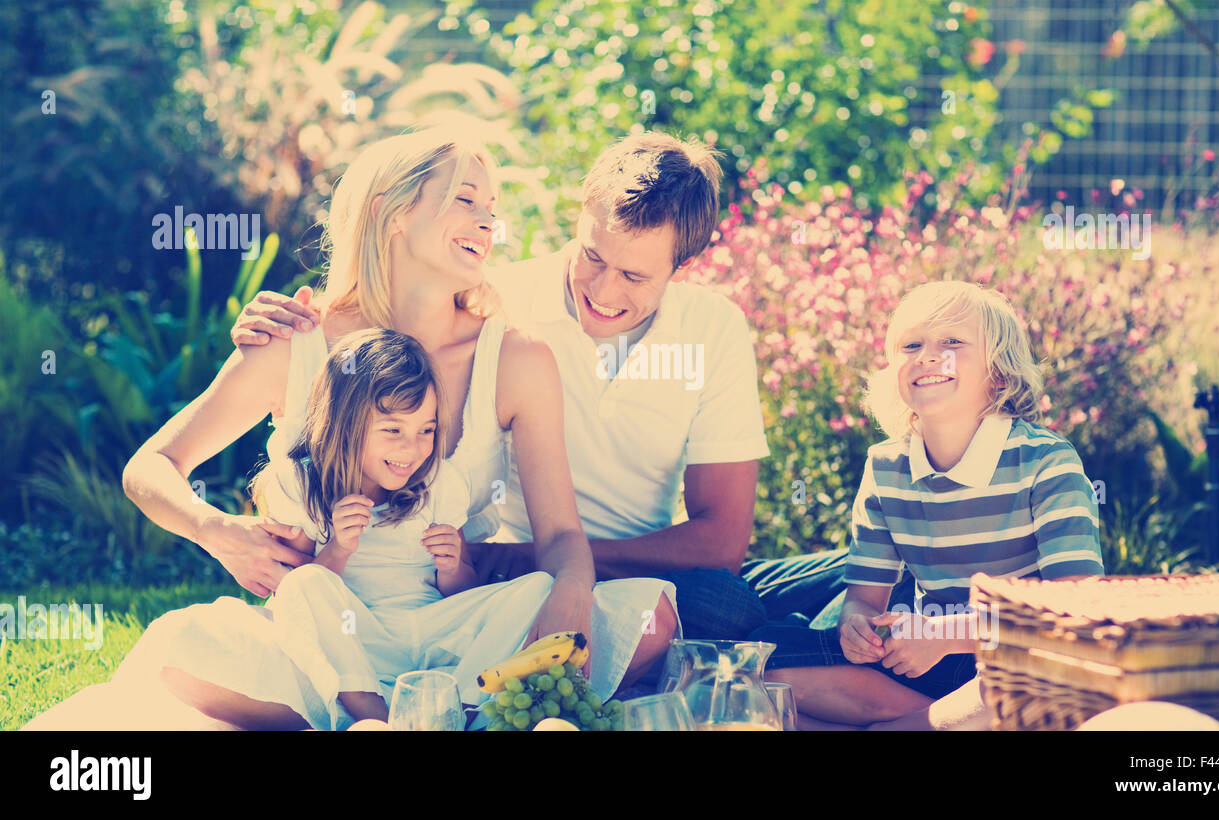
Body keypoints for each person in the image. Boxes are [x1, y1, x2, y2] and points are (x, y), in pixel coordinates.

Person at [24, 128, 676, 731]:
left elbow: (560, 534)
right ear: (394, 215)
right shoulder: (297, 342)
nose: (489, 220)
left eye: (492, 206)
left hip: (455, 628)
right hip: (326, 636)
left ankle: (422, 709)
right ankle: (392, 710)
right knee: (177, 646)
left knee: (650, 614)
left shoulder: (517, 359)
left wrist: (571, 592)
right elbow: (150, 467)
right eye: (466, 199)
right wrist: (216, 530)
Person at [230, 132, 847, 644]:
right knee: (734, 611)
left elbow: (720, 541)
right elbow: (383, 340)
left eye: (634, 275)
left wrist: (554, 564)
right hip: (509, 579)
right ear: (578, 220)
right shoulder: (496, 302)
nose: (604, 293)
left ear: (682, 266)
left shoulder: (712, 328)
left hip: (593, 566)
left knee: (856, 573)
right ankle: (815, 654)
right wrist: (281, 329)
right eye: (593, 257)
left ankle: (838, 636)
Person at [758, 280, 1105, 729]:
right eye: (911, 345)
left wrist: (945, 635)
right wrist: (858, 629)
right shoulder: (886, 467)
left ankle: (907, 723)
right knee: (771, 653)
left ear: (998, 372)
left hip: (1016, 656)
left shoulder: (1046, 461)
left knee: (1045, 672)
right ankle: (931, 721)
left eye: (952, 342)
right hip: (925, 663)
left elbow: (1077, 614)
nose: (926, 355)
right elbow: (863, 598)